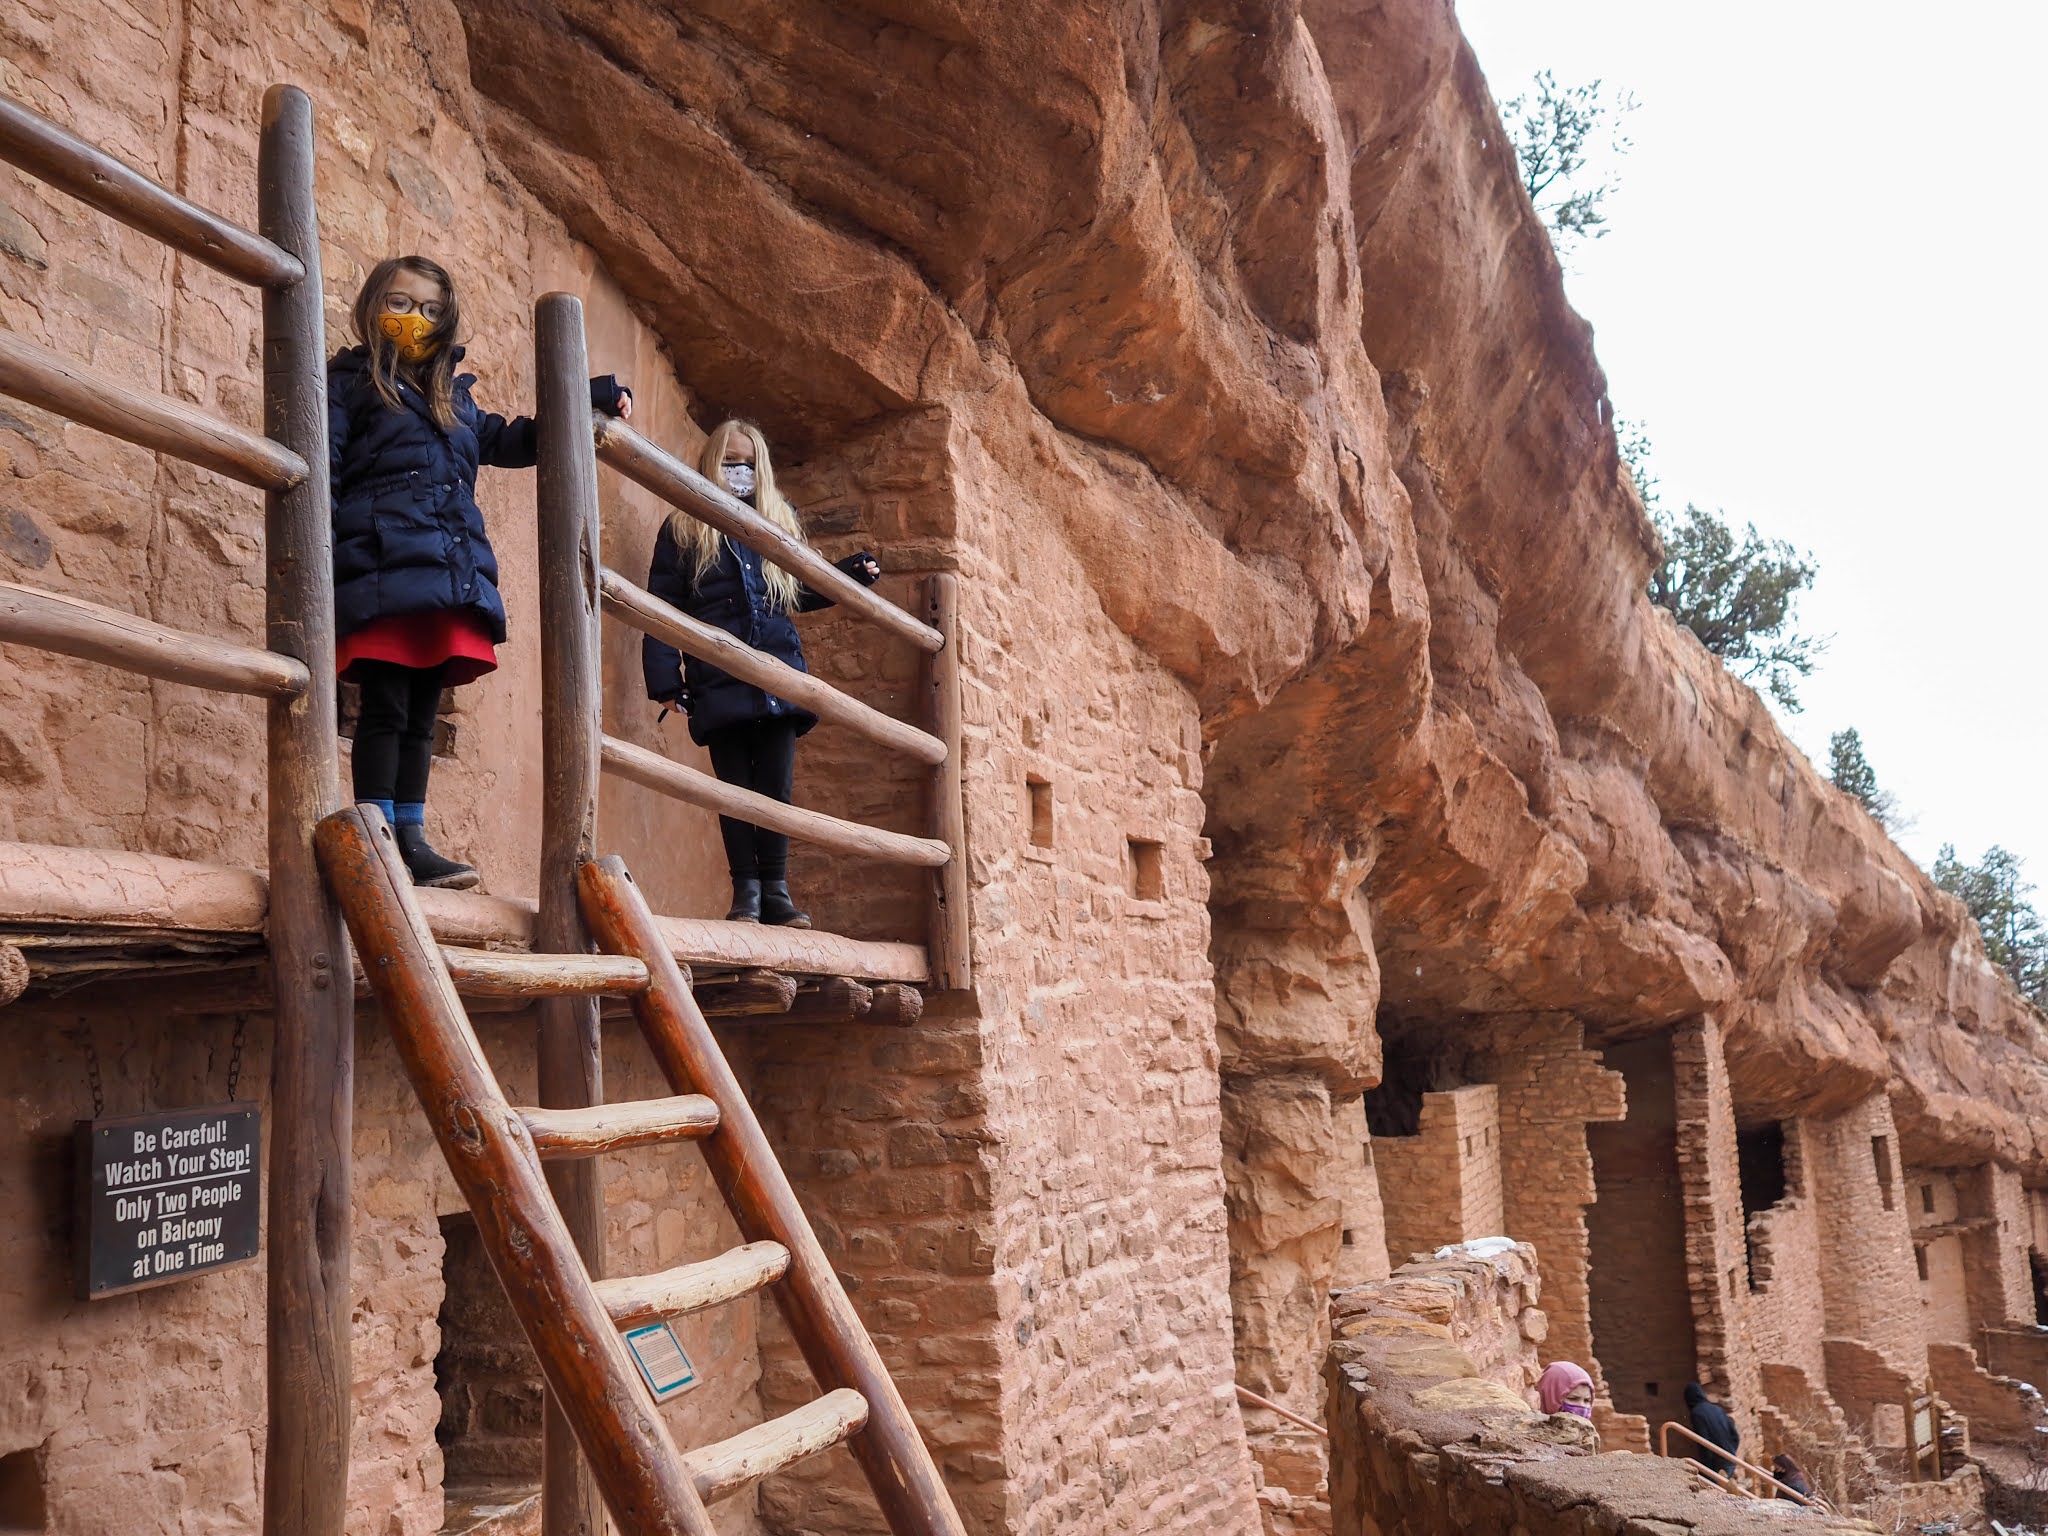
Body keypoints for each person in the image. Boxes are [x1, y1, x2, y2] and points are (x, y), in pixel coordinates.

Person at [329, 255, 631, 887]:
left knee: (421, 711)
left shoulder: (453, 399)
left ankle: (409, 834)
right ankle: (377, 836)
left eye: (432, 310)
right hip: (382, 564)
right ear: (373, 305)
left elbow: (517, 440)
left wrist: (588, 396)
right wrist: (334, 558)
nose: (417, 319)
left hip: (442, 570)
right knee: (384, 707)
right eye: (403, 303)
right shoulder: (350, 382)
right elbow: (324, 467)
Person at [640, 420, 880, 927]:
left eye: (747, 462)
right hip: (717, 676)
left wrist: (847, 576)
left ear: (761, 467)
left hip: (777, 676)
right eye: (729, 461)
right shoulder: (685, 527)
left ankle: (775, 889)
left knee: (776, 785)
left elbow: (799, 590)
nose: (739, 471)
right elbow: (663, 603)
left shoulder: (777, 520)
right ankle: (745, 891)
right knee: (734, 788)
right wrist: (665, 680)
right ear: (711, 461)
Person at [1684, 1381, 1741, 1477]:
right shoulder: (1717, 1408)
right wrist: (1730, 1451)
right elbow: (1735, 1436)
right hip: (1730, 1458)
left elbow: (1704, 1440)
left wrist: (1707, 1465)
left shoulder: (1697, 1413)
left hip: (1717, 1462)